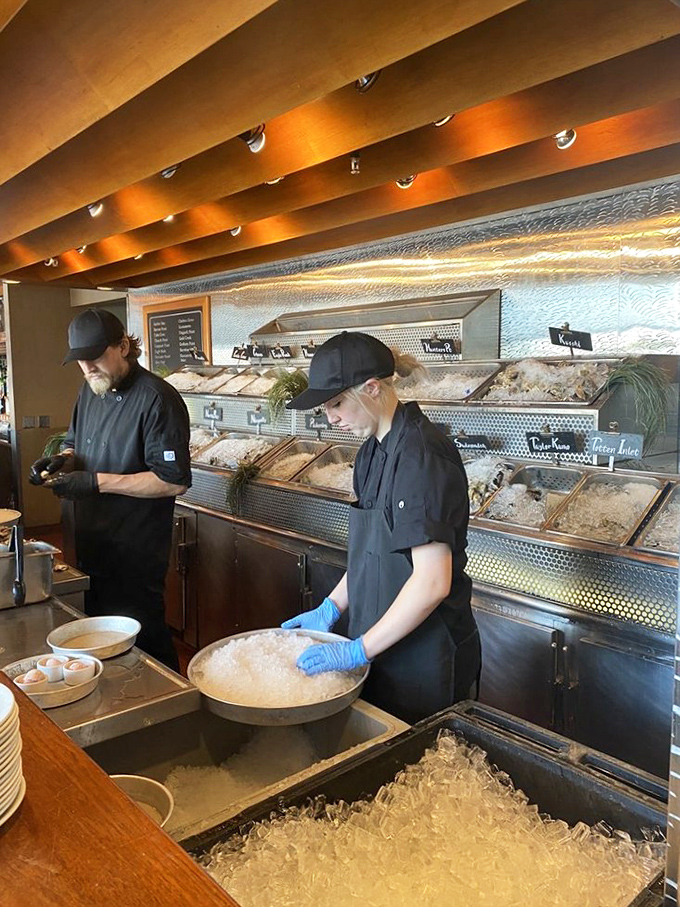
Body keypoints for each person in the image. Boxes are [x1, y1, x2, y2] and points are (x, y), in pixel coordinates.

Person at [283, 331, 481, 724]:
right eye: (326, 408)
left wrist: (357, 651)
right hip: (383, 648)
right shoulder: (372, 451)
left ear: (372, 388)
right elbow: (371, 553)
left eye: (337, 403)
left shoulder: (421, 456)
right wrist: (332, 606)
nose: (331, 417)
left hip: (426, 659)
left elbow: (432, 583)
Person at [30, 308, 191, 670]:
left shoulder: (157, 399)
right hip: (90, 541)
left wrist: (94, 482)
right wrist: (59, 461)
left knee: (144, 640)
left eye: (95, 358)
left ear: (122, 346)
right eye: (80, 361)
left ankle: (171, 713)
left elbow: (172, 480)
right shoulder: (90, 391)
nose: (88, 369)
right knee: (103, 640)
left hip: (134, 549)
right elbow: (75, 446)